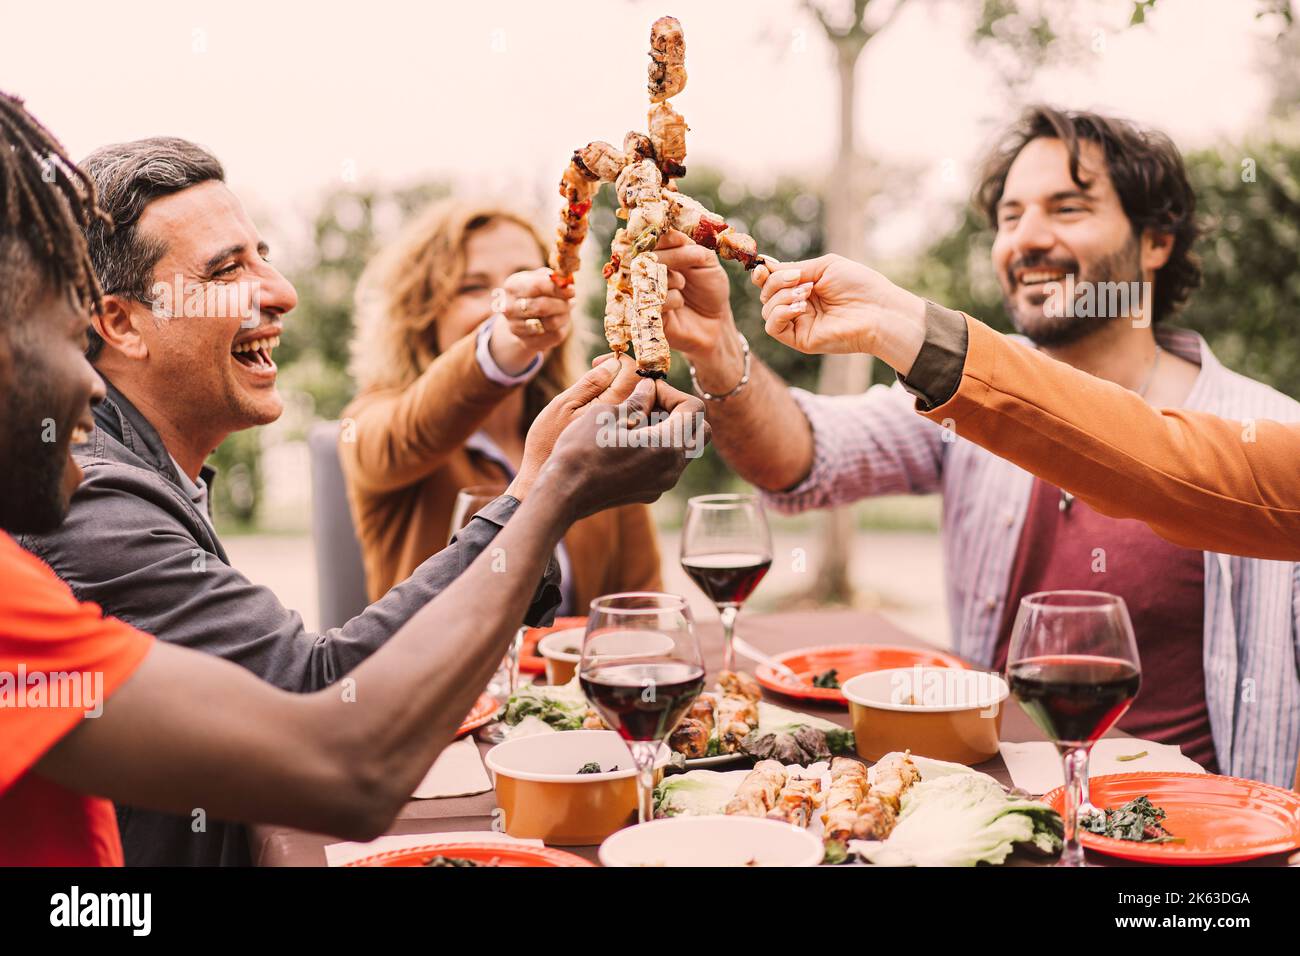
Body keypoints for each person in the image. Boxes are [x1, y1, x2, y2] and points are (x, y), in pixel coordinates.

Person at [0, 90, 707, 866]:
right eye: (228, 269)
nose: (281, 293)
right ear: (118, 323)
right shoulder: (89, 502)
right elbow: (320, 707)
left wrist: (538, 483)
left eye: (262, 253)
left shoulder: (133, 468)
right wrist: (548, 495)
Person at [661, 107, 1300, 787]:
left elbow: (1148, 455)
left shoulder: (1266, 431)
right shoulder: (959, 404)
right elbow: (800, 462)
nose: (1028, 239)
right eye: (1010, 216)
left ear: (1155, 242)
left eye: (1068, 208)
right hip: (988, 819)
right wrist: (718, 350)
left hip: (1193, 848)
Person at [340, 199, 661, 608]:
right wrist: (503, 338)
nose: (508, 298)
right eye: (473, 287)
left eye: (525, 278)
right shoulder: (372, 421)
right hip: (439, 671)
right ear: (421, 313)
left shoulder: (594, 427)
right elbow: (408, 433)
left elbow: (640, 602)